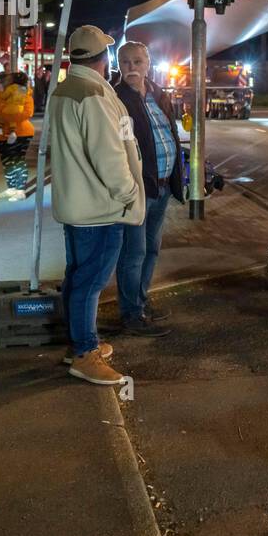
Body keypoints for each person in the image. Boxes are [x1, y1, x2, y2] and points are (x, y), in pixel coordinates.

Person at [49, 26, 144, 386]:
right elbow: (109, 156)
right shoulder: (92, 94)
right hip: (99, 207)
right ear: (102, 58)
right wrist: (128, 193)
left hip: (78, 204)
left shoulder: (67, 88)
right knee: (90, 281)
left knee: (77, 276)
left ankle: (79, 344)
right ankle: (85, 353)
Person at [113, 41, 187, 337]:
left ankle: (140, 303)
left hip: (163, 186)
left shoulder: (158, 93)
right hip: (138, 189)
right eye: (126, 62)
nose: (132, 67)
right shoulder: (115, 98)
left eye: (138, 61)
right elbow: (118, 145)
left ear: (148, 63)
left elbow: (171, 132)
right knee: (134, 252)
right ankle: (130, 314)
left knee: (152, 249)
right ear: (119, 65)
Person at [0, 71, 35, 199]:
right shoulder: (3, 96)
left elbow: (27, 113)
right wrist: (2, 114)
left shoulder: (25, 96)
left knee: (17, 160)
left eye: (8, 79)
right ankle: (11, 187)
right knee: (7, 161)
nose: (4, 81)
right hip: (3, 134)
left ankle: (20, 190)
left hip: (21, 133)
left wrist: (3, 115)